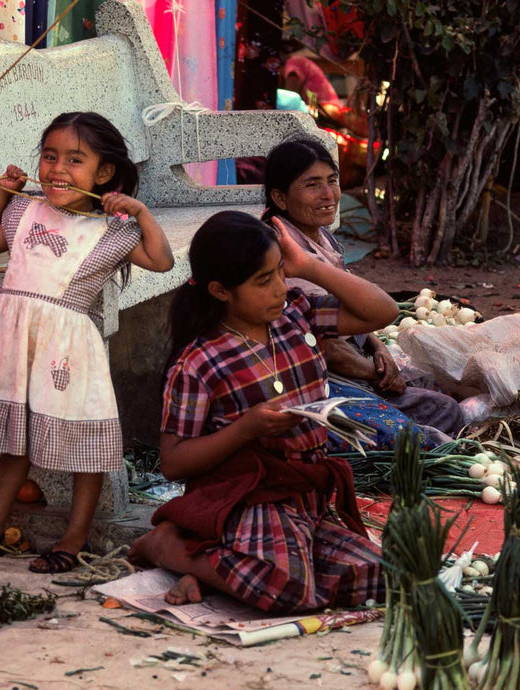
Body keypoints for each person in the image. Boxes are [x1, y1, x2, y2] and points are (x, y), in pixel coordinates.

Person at [128, 211, 392, 612]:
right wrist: (245, 429)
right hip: (245, 500)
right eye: (264, 281)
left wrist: (307, 265)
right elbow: (174, 462)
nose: (280, 289)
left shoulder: (295, 316)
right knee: (289, 589)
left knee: (381, 578)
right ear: (220, 291)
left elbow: (382, 311)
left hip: (306, 497)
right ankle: (170, 547)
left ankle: (218, 572)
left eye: (281, 274)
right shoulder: (200, 362)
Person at [0, 112, 174, 573]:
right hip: (15, 346)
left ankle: (74, 537)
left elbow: (161, 260)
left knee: (83, 450)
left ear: (104, 173)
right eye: (50, 157)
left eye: (75, 160)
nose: (57, 169)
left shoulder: (112, 231)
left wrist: (141, 213)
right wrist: (3, 193)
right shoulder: (26, 210)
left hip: (69, 356)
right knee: (14, 445)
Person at [262, 139, 465, 441]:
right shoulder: (283, 254)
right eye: (312, 185)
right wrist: (376, 372)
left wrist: (378, 348)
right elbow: (325, 347)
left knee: (446, 408)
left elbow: (349, 310)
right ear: (280, 197)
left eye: (332, 181)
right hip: (320, 380)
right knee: (421, 439)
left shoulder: (318, 236)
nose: (328, 195)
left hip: (354, 365)